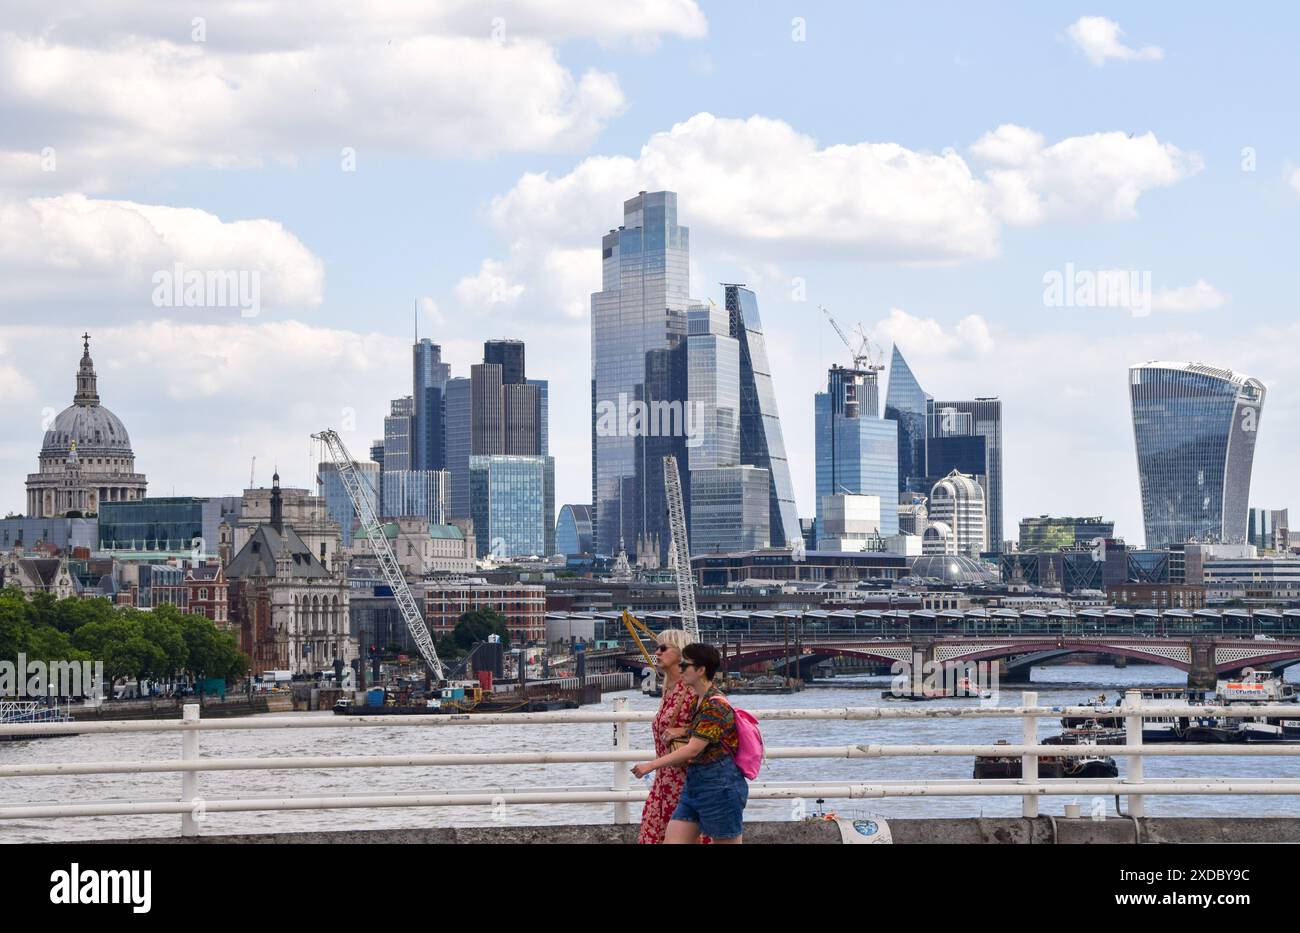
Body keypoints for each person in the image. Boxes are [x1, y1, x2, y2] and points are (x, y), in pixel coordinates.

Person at [632, 643, 747, 844]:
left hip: (720, 787)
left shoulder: (715, 705)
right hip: (695, 784)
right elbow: (696, 731)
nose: (681, 669)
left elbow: (693, 748)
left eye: (685, 665)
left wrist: (650, 765)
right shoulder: (699, 700)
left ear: (701, 670)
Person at [635, 629, 701, 844]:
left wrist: (683, 731)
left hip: (685, 780)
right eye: (657, 647)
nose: (657, 652)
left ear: (681, 654)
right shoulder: (668, 689)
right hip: (663, 782)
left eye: (663, 648)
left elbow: (717, 725)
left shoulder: (691, 689)